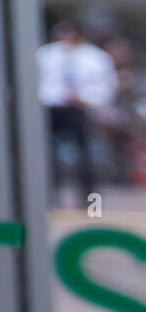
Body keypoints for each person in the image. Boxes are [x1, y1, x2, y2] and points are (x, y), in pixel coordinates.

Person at [37, 19, 116, 205]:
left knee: (86, 155)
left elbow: (106, 88)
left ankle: (88, 200)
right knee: (48, 154)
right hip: (52, 108)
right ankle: (52, 199)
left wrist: (85, 98)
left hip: (82, 110)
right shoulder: (45, 54)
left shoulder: (96, 58)